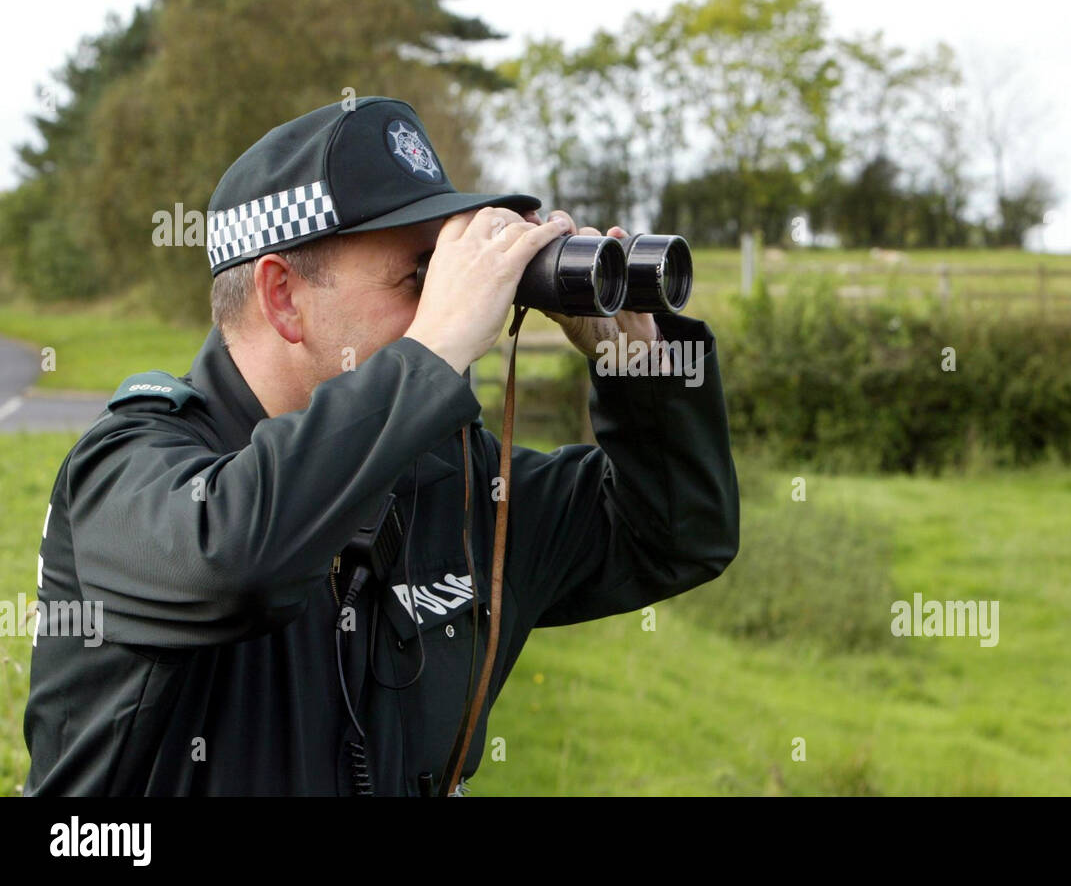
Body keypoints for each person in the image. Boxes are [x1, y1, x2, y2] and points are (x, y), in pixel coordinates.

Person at [22, 96, 740, 795]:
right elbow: (234, 562)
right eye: (419, 278)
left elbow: (673, 536)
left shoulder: (452, 483)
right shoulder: (125, 471)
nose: (451, 306)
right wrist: (433, 350)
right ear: (284, 298)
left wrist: (638, 370)